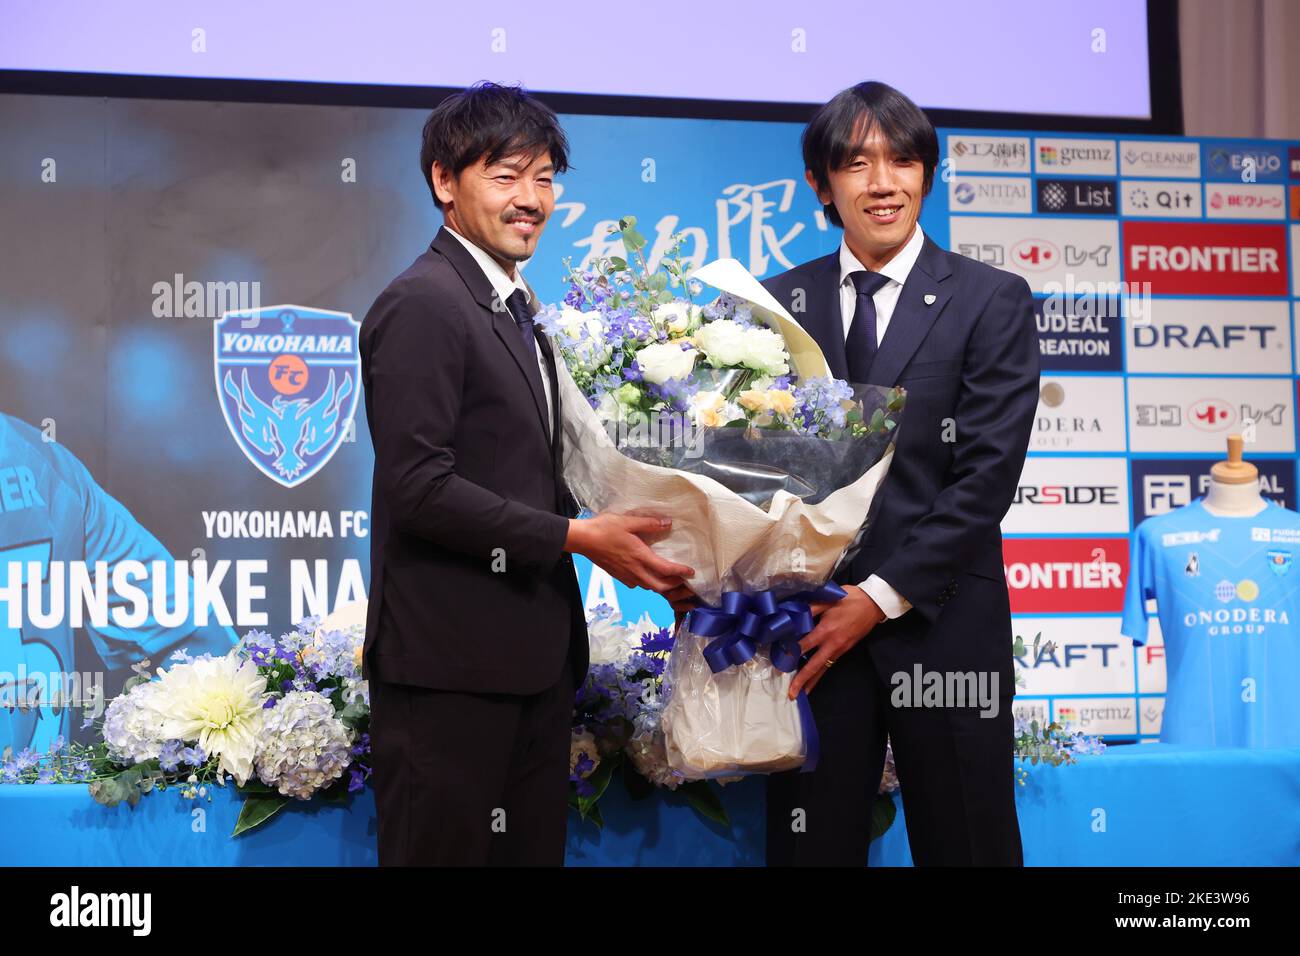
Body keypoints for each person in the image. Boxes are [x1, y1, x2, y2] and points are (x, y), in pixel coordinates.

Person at [359, 82, 691, 866]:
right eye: (506, 175)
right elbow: (419, 487)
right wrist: (578, 536)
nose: (531, 199)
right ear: (445, 180)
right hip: (449, 679)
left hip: (531, 670)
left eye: (544, 178)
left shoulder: (512, 305)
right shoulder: (423, 304)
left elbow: (539, 468)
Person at [759, 81, 1039, 866]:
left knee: (969, 845)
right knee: (809, 847)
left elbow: (985, 481)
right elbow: (748, 477)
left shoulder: (990, 300)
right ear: (820, 184)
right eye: (857, 163)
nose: (883, 182)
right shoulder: (777, 306)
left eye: (903, 160)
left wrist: (876, 600)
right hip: (813, 633)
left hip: (945, 629)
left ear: (928, 173)